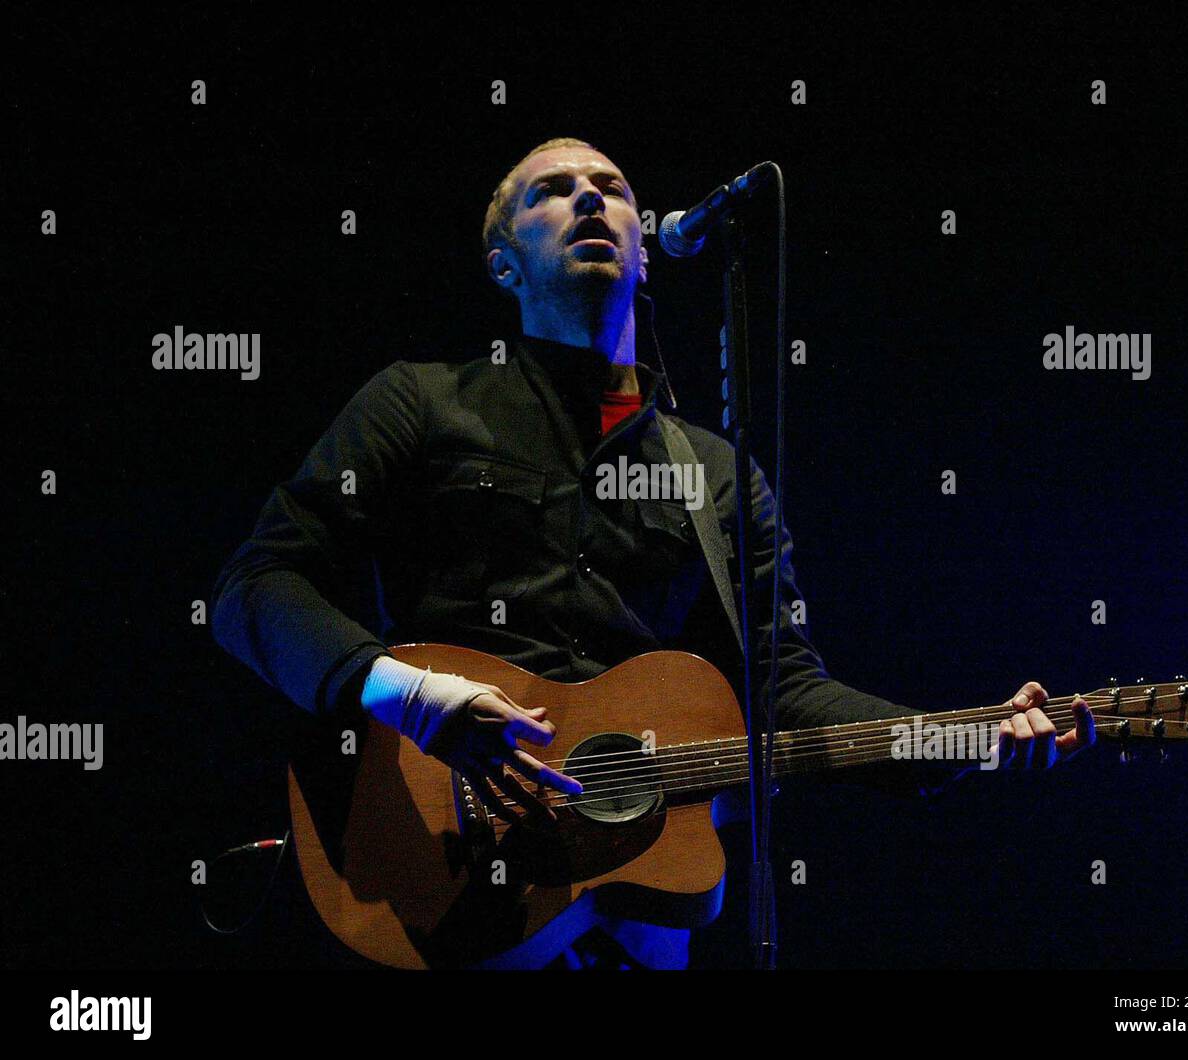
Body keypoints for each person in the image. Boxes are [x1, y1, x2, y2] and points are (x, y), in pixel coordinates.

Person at [211, 137, 1095, 969]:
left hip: (631, 906)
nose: (589, 197)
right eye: (549, 191)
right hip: (435, 855)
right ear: (503, 263)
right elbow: (256, 582)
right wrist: (405, 692)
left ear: (643, 252)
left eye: (613, 188)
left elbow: (781, 688)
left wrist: (960, 737)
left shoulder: (718, 475)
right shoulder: (421, 403)